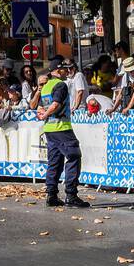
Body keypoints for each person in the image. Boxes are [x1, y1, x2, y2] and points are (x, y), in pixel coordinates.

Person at [36, 57, 90, 208]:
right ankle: (71, 195)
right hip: (61, 128)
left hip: (49, 129)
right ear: (58, 70)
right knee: (74, 155)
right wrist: (46, 114)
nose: (67, 71)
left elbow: (39, 106)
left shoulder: (46, 86)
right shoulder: (61, 85)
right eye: (65, 69)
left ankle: (51, 195)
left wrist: (42, 114)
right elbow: (56, 104)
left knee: (55, 161)